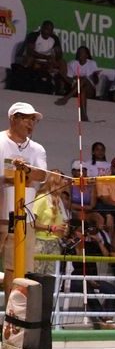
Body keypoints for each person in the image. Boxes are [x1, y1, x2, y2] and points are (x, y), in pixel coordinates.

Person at [2, 102, 50, 296]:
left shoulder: (37, 149)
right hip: (1, 213)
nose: (31, 123)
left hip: (24, 218)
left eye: (33, 120)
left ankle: (10, 319)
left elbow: (42, 175)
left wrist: (25, 170)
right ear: (13, 119)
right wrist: (15, 175)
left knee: (17, 270)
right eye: (26, 118)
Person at [58, 46, 102, 119]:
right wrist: (63, 75)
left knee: (84, 79)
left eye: (82, 52)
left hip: (90, 90)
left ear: (87, 55)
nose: (80, 54)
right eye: (79, 52)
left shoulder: (92, 63)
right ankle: (84, 116)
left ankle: (66, 98)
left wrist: (95, 76)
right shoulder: (72, 63)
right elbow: (70, 81)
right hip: (76, 90)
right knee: (82, 90)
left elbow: (95, 82)